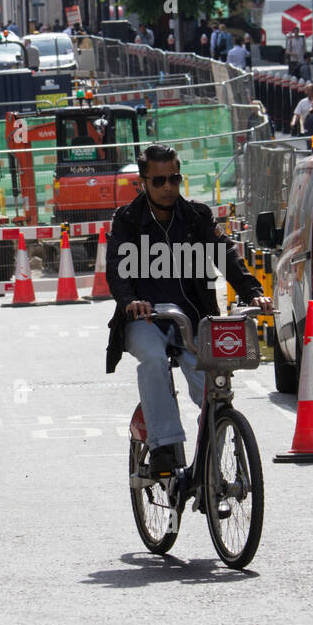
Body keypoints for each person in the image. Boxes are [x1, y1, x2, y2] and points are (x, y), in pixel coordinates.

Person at [104, 143, 270, 476]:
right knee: (152, 361)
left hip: (193, 322)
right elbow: (116, 269)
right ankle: (164, 447)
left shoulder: (197, 217)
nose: (168, 188)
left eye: (174, 179)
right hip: (145, 321)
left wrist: (253, 292)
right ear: (144, 182)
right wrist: (129, 302)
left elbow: (227, 256)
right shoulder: (127, 220)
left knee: (215, 391)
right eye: (159, 181)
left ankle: (212, 470)